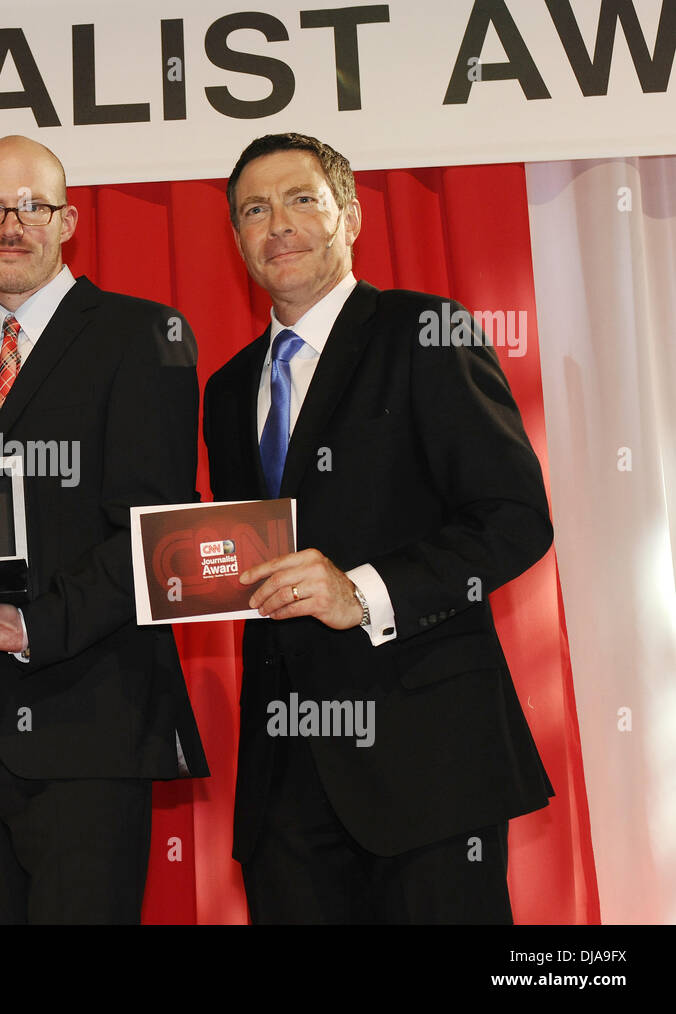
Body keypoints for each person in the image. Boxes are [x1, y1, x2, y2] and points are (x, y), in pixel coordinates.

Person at [203, 132, 554, 923]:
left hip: (427, 760)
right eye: (254, 210)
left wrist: (361, 593)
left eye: (301, 199)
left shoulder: (425, 332)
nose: (278, 224)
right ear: (237, 240)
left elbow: (515, 518)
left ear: (350, 217)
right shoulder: (227, 389)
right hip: (284, 784)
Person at [0, 135, 208, 923]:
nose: (11, 225)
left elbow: (155, 534)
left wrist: (29, 625)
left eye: (32, 206)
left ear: (69, 220)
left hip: (86, 718)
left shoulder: (144, 336)